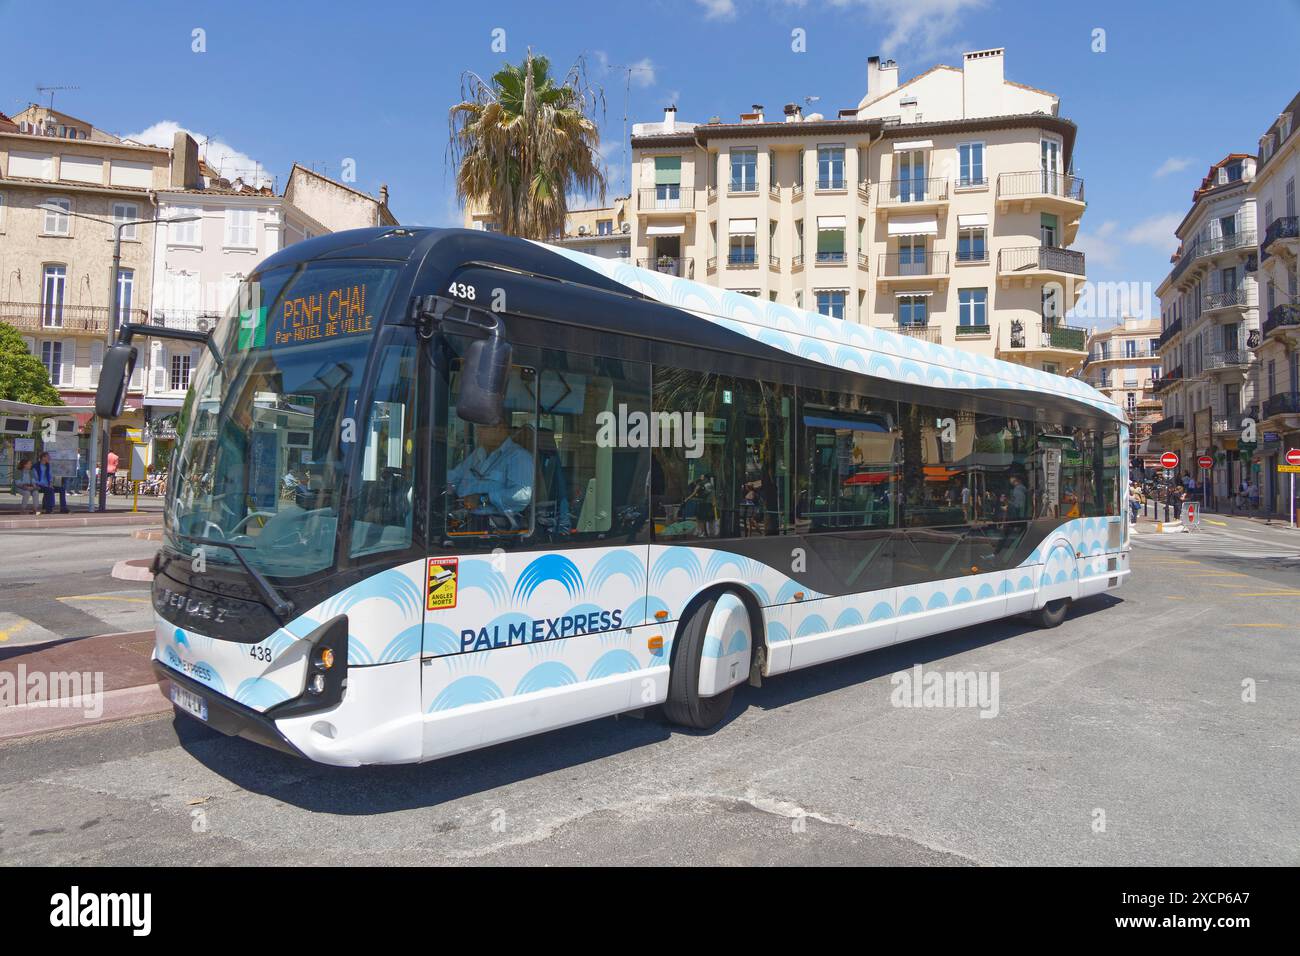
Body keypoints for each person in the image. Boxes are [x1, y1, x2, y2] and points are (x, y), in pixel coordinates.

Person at [446, 421, 534, 529]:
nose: (478, 432)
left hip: (495, 529)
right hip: (463, 519)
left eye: (483, 427)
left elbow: (522, 496)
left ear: (500, 428)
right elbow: (455, 477)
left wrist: (482, 499)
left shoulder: (518, 456)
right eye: (477, 427)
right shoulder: (479, 453)